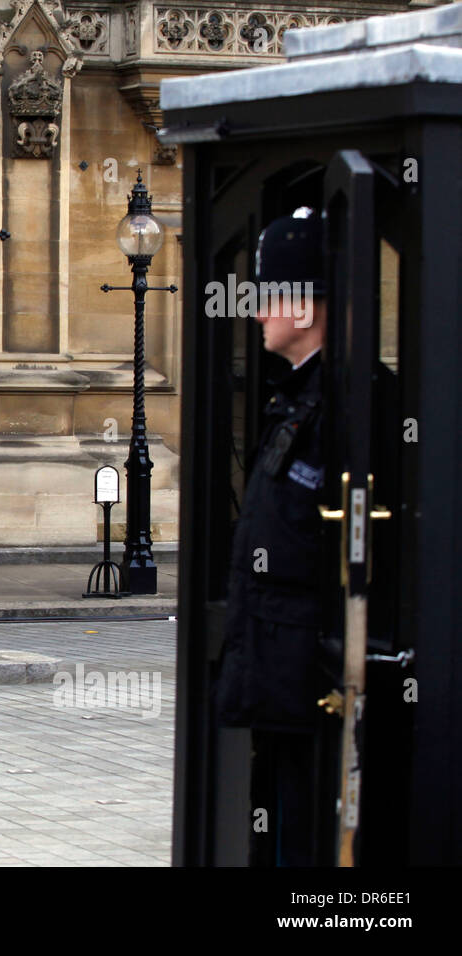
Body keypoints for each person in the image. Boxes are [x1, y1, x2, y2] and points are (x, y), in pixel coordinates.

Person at [217, 209, 332, 866]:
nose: (256, 312)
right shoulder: (292, 398)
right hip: (279, 672)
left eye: (267, 296)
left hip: (312, 671)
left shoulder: (343, 401)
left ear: (306, 306)